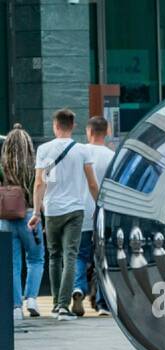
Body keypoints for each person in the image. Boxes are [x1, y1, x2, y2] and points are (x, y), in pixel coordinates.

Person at [30, 108, 99, 318]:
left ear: (55, 125)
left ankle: (55, 304)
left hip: (52, 210)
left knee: (54, 256)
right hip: (75, 210)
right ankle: (63, 305)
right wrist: (100, 206)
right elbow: (92, 183)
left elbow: (40, 182)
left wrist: (36, 212)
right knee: (71, 255)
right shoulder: (82, 151)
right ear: (73, 126)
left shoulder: (44, 150)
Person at [0, 125, 45, 323]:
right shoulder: (34, 165)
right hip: (29, 217)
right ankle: (32, 300)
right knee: (36, 259)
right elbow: (41, 187)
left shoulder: (3, 166)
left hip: (6, 218)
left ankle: (16, 308)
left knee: (12, 264)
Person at [71, 115, 114, 317]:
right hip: (103, 215)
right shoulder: (112, 156)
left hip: (82, 213)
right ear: (107, 132)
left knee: (80, 255)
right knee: (102, 259)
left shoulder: (79, 152)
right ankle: (103, 303)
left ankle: (78, 288)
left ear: (88, 132)